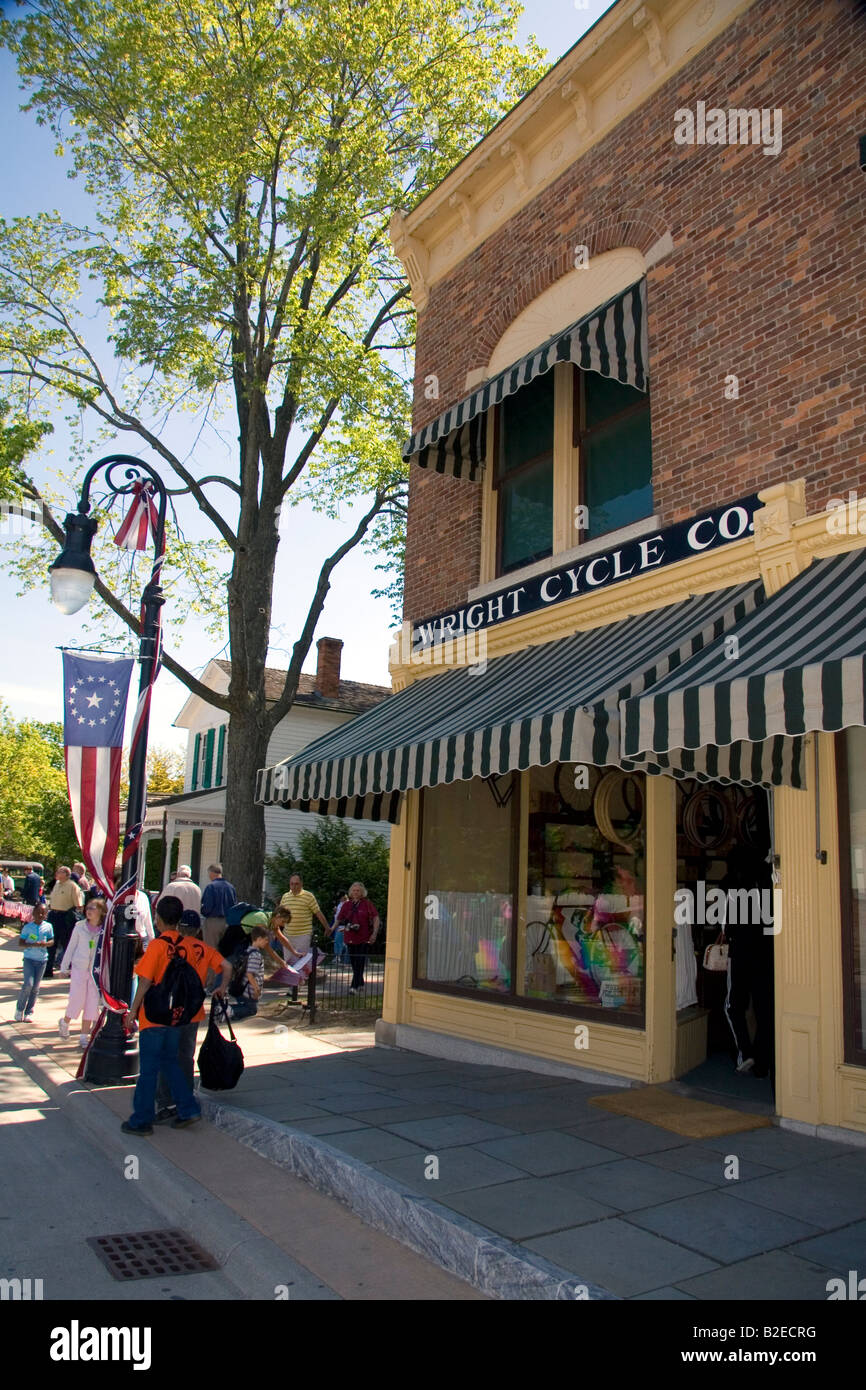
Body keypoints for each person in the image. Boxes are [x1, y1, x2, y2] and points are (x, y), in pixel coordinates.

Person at [122, 895, 232, 1135]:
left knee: (149, 1068)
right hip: (179, 1016)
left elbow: (145, 981)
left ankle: (141, 1119)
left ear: (158, 919)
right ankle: (187, 1107)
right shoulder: (193, 946)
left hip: (154, 1016)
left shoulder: (158, 946)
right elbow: (227, 966)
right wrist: (222, 987)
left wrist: (132, 1012)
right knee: (171, 1061)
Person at [722, 849, 775, 1082]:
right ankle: (764, 1062)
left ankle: (745, 1052)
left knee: (733, 1006)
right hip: (765, 953)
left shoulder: (730, 884)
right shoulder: (766, 880)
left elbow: (726, 926)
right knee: (765, 1009)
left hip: (741, 952)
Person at [59, 898, 105, 1047]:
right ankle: (65, 1021)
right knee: (77, 1000)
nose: (89, 910)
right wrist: (64, 967)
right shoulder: (79, 926)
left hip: (94, 972)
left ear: (101, 911)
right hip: (79, 969)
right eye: (88, 908)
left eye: (93, 908)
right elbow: (71, 947)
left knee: (91, 1003)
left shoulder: (104, 930)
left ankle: (84, 1036)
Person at [336, 882, 380, 992]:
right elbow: (339, 918)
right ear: (351, 892)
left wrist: (374, 933)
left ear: (362, 892)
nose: (356, 893)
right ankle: (360, 982)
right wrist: (331, 929)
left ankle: (353, 986)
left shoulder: (367, 904)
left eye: (358, 891)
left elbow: (376, 918)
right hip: (350, 937)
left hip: (364, 937)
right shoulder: (347, 905)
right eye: (354, 890)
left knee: (360, 960)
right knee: (354, 961)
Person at [14, 902, 54, 1022]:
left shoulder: (48, 927)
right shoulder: (28, 927)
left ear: (46, 915)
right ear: (33, 913)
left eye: (43, 913)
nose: (40, 915)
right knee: (28, 985)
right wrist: (32, 944)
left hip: (42, 960)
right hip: (29, 959)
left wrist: (45, 944)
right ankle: (19, 1009)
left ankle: (29, 1012)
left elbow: (52, 941)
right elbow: (21, 943)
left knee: (35, 988)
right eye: (38, 912)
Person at [278, 874, 330, 960]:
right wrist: (276, 930)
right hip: (287, 935)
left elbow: (318, 913)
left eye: (296, 884)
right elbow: (280, 914)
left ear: (301, 884)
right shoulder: (285, 896)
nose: (294, 886)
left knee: (300, 962)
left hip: (303, 934)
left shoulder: (308, 896)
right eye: (292, 884)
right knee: (288, 962)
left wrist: (327, 927)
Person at [44, 865, 84, 979]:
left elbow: (78, 905)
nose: (57, 873)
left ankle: (68, 969)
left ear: (66, 874)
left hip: (65, 917)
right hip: (54, 915)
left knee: (67, 944)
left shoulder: (72, 886)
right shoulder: (56, 884)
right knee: (51, 943)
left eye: (60, 872)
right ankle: (48, 969)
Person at [225, 926, 269, 1021]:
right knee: (251, 1010)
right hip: (249, 990)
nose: (267, 942)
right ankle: (228, 1010)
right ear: (259, 939)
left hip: (242, 987)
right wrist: (256, 989)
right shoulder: (256, 955)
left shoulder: (247, 951)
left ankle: (232, 1013)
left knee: (246, 1006)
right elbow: (250, 974)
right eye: (265, 940)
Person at [200, 863, 237, 950]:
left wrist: (202, 911)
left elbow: (207, 907)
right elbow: (235, 905)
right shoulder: (231, 887)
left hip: (213, 921)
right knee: (225, 950)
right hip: (228, 922)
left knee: (211, 950)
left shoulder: (211, 887)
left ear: (212, 873)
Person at [330, 891, 349, 963]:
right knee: (340, 942)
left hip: (342, 925)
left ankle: (338, 957)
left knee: (338, 941)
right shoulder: (340, 904)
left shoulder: (347, 904)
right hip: (337, 925)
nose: (340, 899)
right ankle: (340, 957)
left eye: (341, 897)